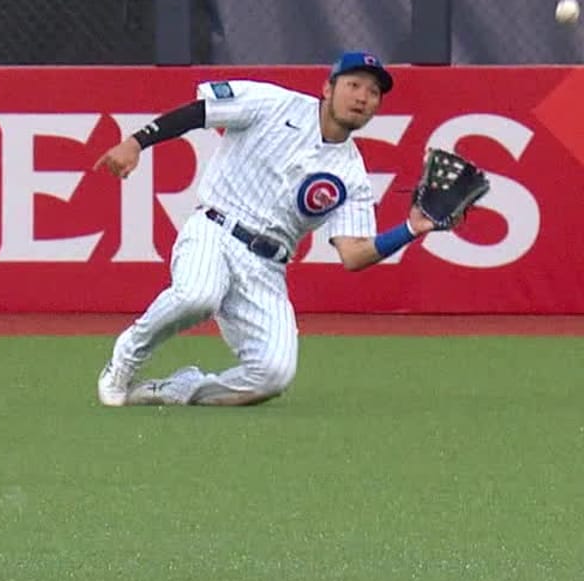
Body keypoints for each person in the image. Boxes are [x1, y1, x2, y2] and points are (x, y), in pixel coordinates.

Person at [91, 51, 437, 407]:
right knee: (198, 294)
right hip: (215, 228)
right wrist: (136, 142)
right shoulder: (273, 103)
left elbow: (354, 254)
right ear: (328, 88)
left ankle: (179, 390)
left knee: (273, 375)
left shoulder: (352, 176)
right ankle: (124, 359)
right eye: (353, 85)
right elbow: (202, 112)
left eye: (373, 92)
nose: (362, 97)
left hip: (267, 266)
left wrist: (412, 228)